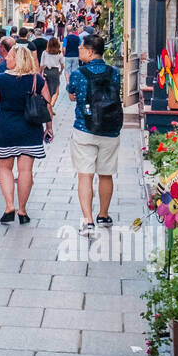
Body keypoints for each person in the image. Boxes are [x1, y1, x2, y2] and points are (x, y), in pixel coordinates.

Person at [0, 44, 54, 225]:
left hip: (7, 129)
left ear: (16, 59)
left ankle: (9, 207)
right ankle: (22, 210)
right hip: (30, 129)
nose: (6, 58)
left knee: (5, 168)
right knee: (25, 171)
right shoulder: (37, 79)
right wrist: (49, 127)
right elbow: (47, 105)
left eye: (10, 57)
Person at [66, 34, 124, 236]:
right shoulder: (114, 72)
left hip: (85, 128)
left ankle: (88, 221)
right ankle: (104, 215)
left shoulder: (79, 73)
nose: (79, 50)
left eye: (82, 48)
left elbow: (72, 93)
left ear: (90, 51)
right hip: (110, 129)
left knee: (85, 174)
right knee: (106, 173)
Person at [41, 37, 65, 105]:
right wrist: (61, 71)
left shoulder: (45, 52)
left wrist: (40, 72)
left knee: (47, 89)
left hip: (46, 71)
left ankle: (47, 105)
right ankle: (51, 105)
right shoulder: (59, 53)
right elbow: (62, 64)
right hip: (55, 71)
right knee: (55, 91)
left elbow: (42, 65)